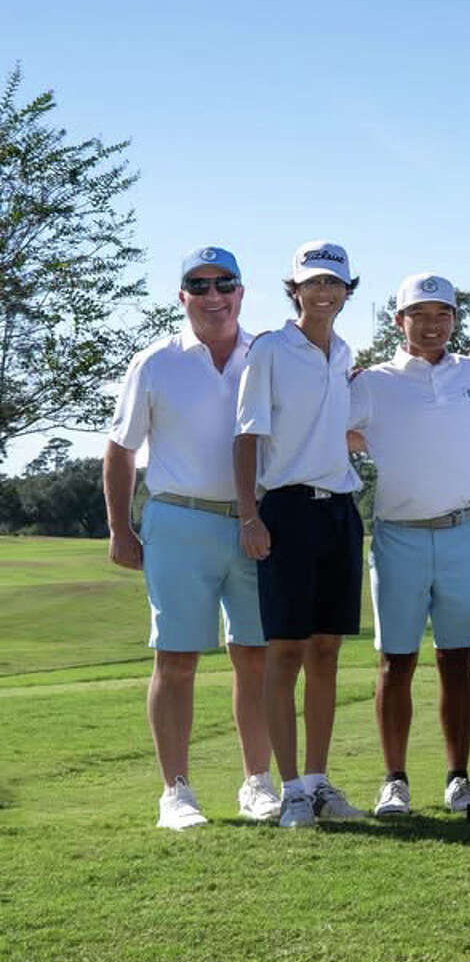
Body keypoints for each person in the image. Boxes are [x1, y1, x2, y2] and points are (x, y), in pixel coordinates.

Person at [105, 246, 278, 828]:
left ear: (241, 292)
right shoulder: (155, 362)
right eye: (198, 286)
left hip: (256, 523)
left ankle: (258, 783)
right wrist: (120, 527)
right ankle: (175, 793)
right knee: (176, 659)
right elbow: (121, 449)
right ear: (182, 296)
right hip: (179, 519)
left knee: (255, 657)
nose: (212, 296)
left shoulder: (268, 355)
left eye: (223, 283)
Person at [234, 240, 367, 827]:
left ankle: (317, 782)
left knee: (326, 650)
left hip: (340, 511)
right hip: (286, 510)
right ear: (295, 289)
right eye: (313, 282)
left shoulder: (344, 353)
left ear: (346, 290)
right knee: (284, 650)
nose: (324, 292)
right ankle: (289, 789)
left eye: (333, 283)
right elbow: (245, 437)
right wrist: (250, 515)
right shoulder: (269, 349)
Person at [348, 274, 470, 816]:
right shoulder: (372, 382)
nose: (432, 326)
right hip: (399, 536)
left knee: (457, 659)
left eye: (442, 315)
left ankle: (458, 778)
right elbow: (333, 432)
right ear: (399, 321)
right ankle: (395, 781)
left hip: (464, 530)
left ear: (454, 319)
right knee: (396, 662)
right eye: (420, 315)